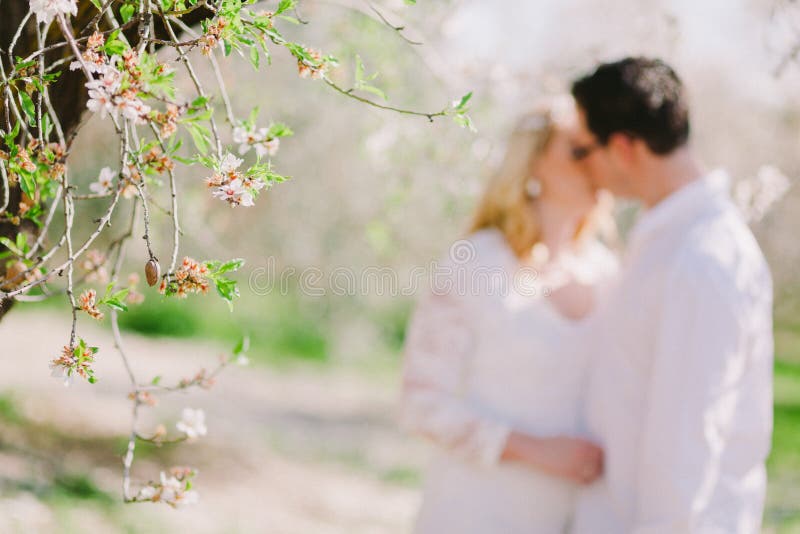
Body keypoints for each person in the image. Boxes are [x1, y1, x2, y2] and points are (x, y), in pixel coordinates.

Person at [568, 57, 774, 533]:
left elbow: (687, 446)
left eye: (584, 150)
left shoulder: (704, 259)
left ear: (621, 148)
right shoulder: (668, 240)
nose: (586, 168)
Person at [399, 97, 618, 533]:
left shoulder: (610, 275)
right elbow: (420, 403)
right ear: (533, 163)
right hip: (476, 510)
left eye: (602, 148)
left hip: (580, 516)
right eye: (578, 151)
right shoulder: (477, 262)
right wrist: (535, 450)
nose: (597, 164)